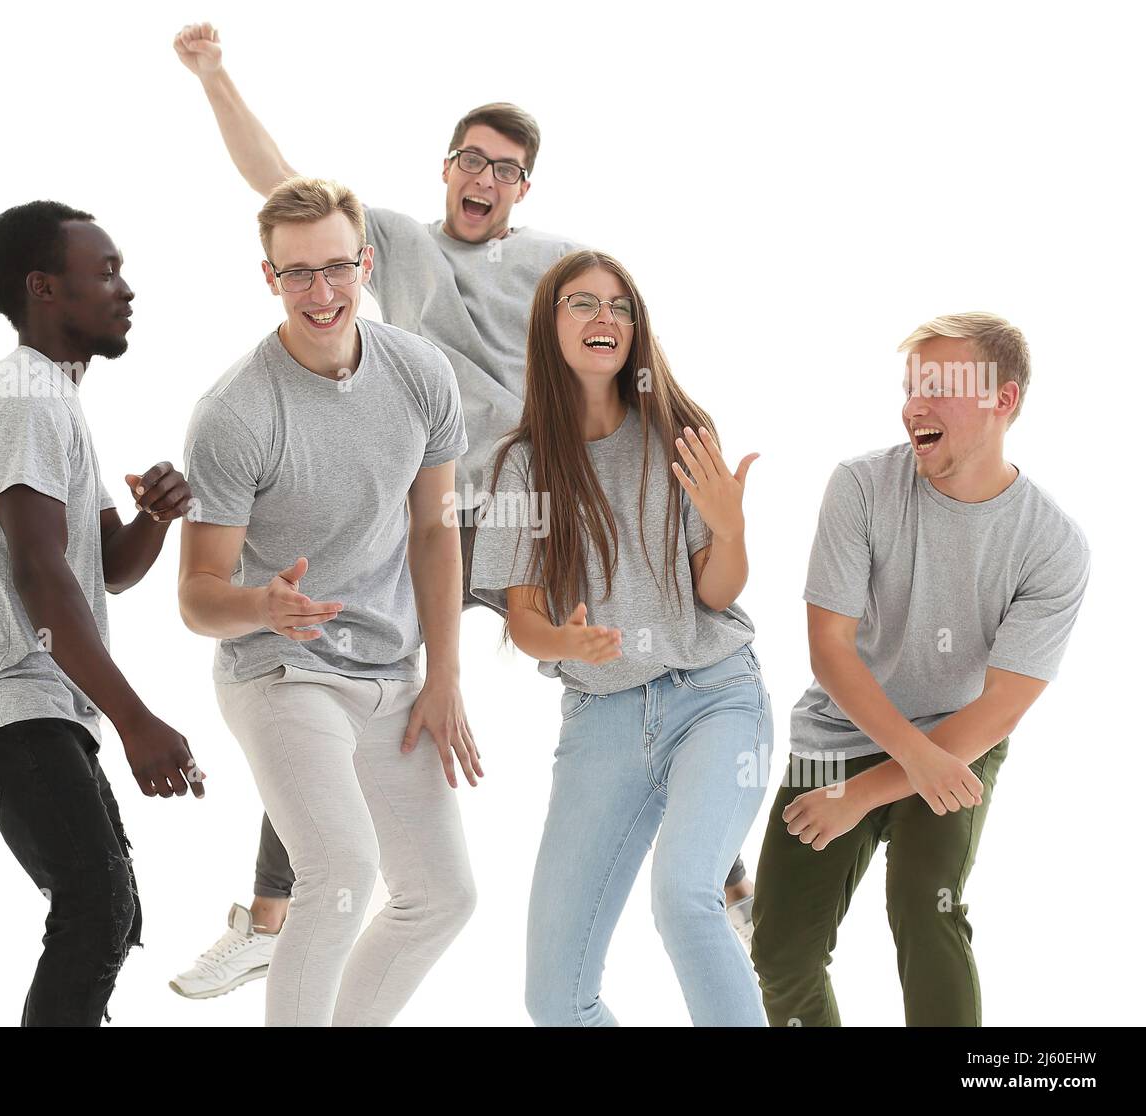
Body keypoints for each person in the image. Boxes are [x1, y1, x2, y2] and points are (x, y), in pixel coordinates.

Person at [168, 21, 754, 994]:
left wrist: (662, 443)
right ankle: (271, 916)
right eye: (470, 160)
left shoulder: (560, 260)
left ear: (524, 188)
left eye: (505, 169)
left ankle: (725, 880)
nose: (484, 178)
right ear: (446, 170)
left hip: (532, 502)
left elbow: (620, 335)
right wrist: (215, 75)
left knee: (632, 639)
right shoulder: (390, 244)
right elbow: (277, 181)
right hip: (432, 500)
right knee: (324, 659)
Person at [177, 176, 478, 1026]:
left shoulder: (421, 373)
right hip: (282, 671)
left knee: (442, 896)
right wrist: (263, 607)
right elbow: (198, 597)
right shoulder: (235, 413)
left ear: (366, 264)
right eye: (297, 274)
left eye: (336, 268)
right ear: (268, 278)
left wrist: (445, 673)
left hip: (391, 670)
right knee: (341, 872)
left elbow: (435, 532)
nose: (321, 293)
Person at [750, 313, 1091, 1026]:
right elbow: (831, 648)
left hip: (958, 737)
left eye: (939, 386)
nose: (914, 404)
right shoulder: (861, 486)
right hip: (838, 733)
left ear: (1005, 400)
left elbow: (1000, 707)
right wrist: (873, 777)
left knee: (924, 904)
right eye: (910, 386)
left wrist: (870, 793)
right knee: (781, 953)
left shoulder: (1053, 546)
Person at [470, 249, 771, 1026]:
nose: (605, 318)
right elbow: (527, 623)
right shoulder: (520, 466)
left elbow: (717, 591)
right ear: (549, 326)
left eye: (620, 306)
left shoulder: (680, 433)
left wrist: (731, 529)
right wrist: (566, 643)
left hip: (713, 697)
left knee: (685, 896)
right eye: (582, 303)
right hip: (600, 721)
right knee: (556, 999)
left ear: (636, 331)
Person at [0, 201, 203, 1026]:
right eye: (106, 271)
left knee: (110, 911)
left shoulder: (55, 395)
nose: (126, 290)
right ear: (45, 288)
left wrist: (155, 515)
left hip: (37, 696)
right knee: (96, 906)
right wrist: (138, 720)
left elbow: (104, 569)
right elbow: (42, 578)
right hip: (5, 691)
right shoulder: (25, 399)